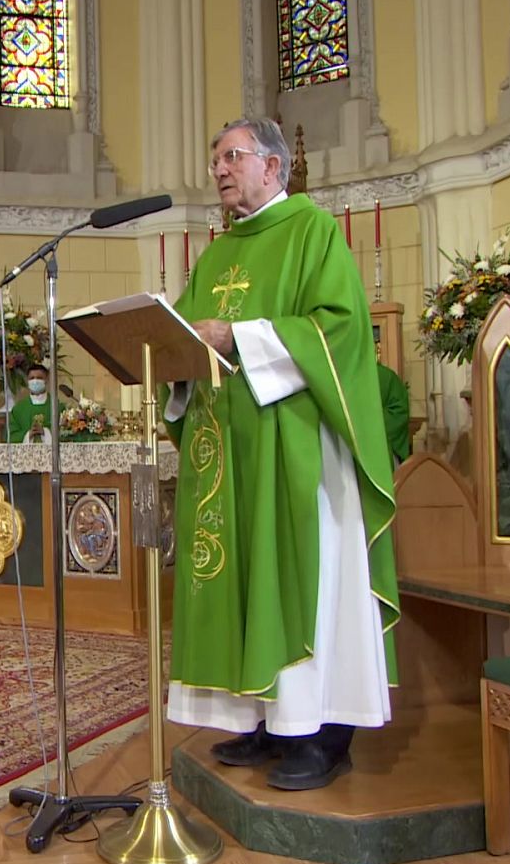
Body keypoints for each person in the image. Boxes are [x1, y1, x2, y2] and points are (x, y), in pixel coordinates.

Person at [165, 117, 400, 792]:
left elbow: (339, 331)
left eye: (231, 157)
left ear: (272, 166)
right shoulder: (214, 256)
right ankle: (266, 720)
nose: (218, 170)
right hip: (231, 452)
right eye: (214, 160)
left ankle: (324, 734)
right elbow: (186, 335)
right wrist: (173, 357)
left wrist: (238, 336)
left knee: (304, 583)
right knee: (247, 585)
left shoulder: (312, 232)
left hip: (296, 449)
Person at [377, 347, 412, 466]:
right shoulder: (338, 379)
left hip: (382, 451)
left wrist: (370, 428)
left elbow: (399, 411)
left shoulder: (385, 376)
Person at [7, 364, 60, 444]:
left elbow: (66, 434)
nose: (35, 381)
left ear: (47, 380)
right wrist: (28, 434)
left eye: (39, 378)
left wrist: (45, 432)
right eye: (32, 378)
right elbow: (11, 436)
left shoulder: (58, 407)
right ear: (27, 381)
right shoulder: (18, 409)